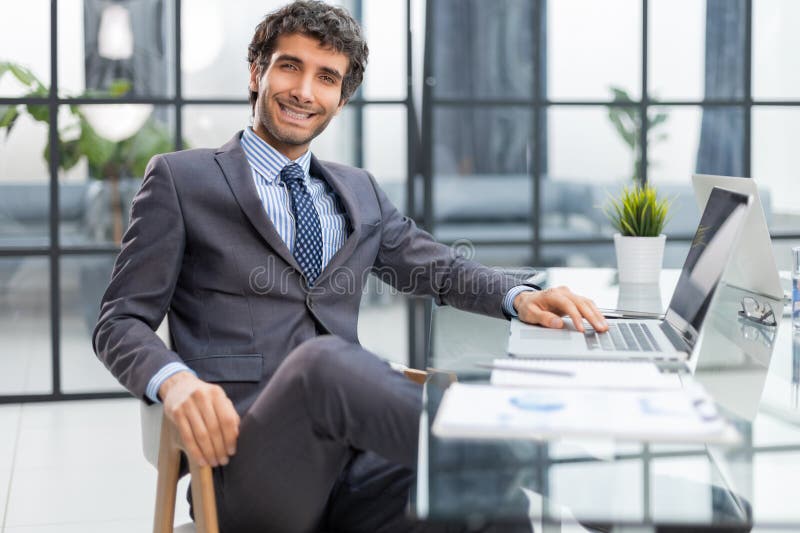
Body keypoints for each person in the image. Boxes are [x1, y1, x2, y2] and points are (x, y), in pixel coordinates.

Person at [93, 2, 607, 532]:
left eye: (327, 78)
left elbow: (441, 270)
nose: (304, 92)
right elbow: (118, 322)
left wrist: (519, 296)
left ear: (341, 99)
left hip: (359, 470)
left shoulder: (359, 190)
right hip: (248, 467)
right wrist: (175, 382)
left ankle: (524, 472)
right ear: (257, 72)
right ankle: (540, 464)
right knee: (323, 364)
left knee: (484, 503)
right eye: (290, 66)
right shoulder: (183, 180)